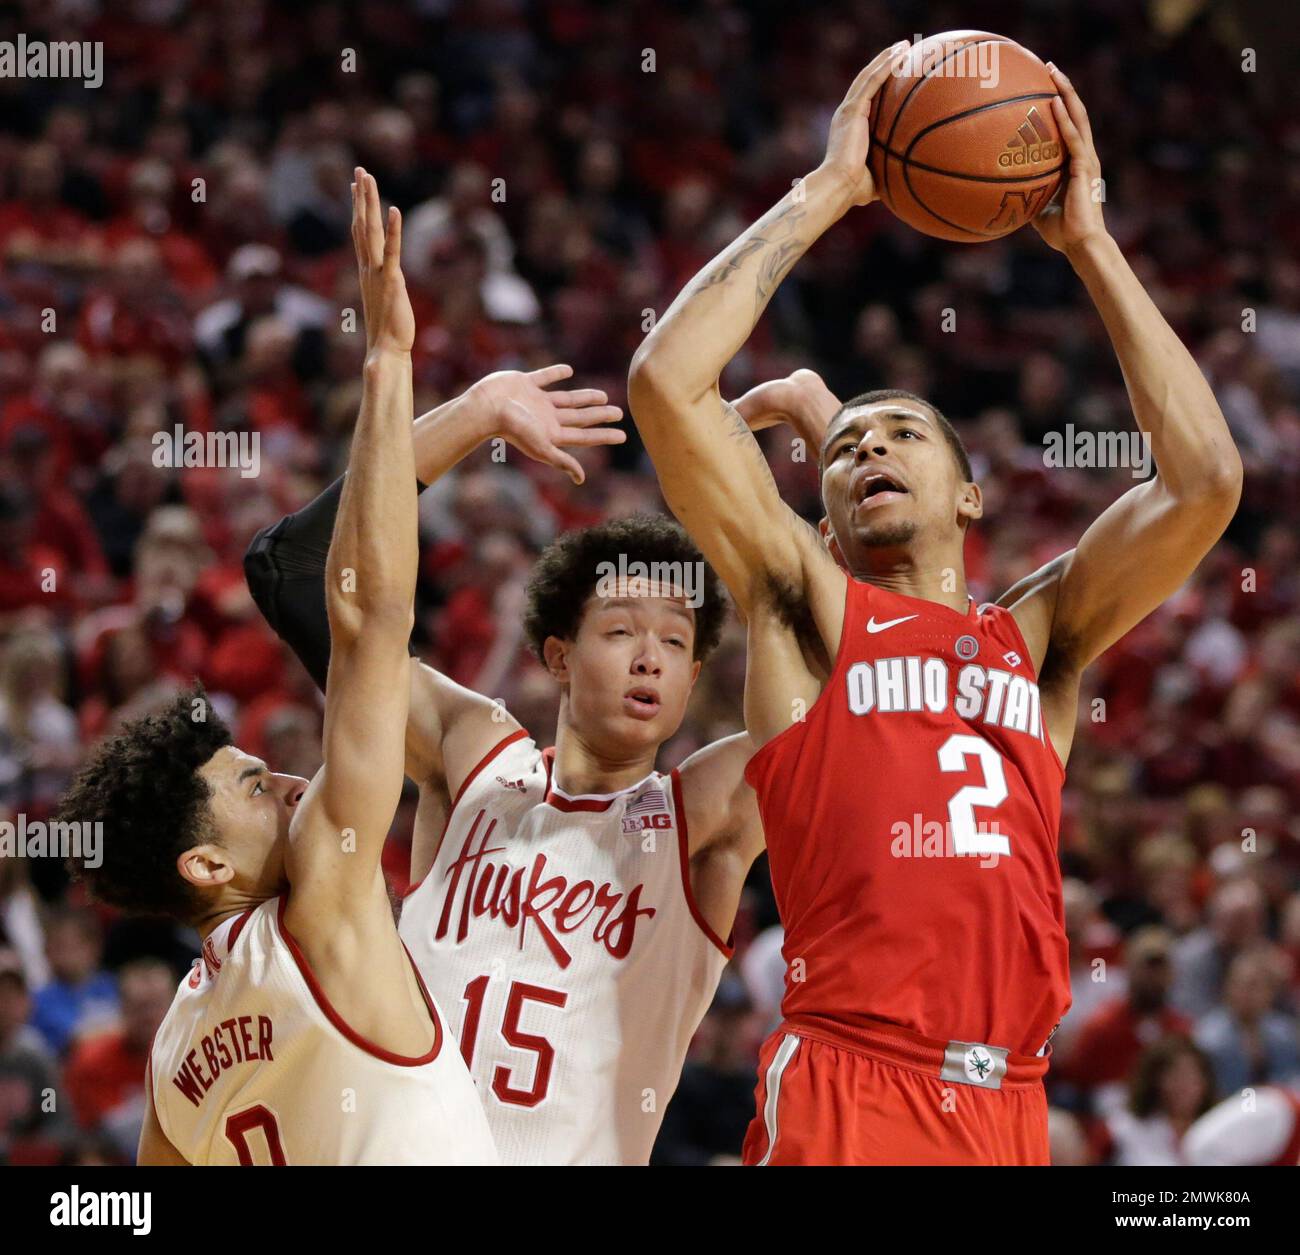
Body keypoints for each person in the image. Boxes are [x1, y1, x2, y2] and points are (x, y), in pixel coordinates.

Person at [627, 45, 1243, 1164]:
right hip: (851, 1088)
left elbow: (1204, 481)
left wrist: (1089, 244)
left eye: (904, 433)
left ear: (970, 493)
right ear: (820, 517)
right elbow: (667, 384)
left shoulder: (1039, 638)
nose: (872, 448)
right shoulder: (807, 610)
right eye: (849, 446)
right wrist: (831, 190)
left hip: (1010, 1101)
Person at [245, 358, 834, 1165]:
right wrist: (474, 411)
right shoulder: (473, 755)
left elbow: (878, 694)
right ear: (558, 656)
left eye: (674, 642)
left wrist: (831, 433)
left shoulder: (705, 811)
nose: (650, 659)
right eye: (622, 630)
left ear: (696, 677)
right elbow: (295, 572)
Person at [55, 170, 496, 1166]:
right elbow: (375, 617)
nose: (291, 780)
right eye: (253, 786)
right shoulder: (325, 907)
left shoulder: (171, 1062)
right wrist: (389, 364)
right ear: (205, 865)